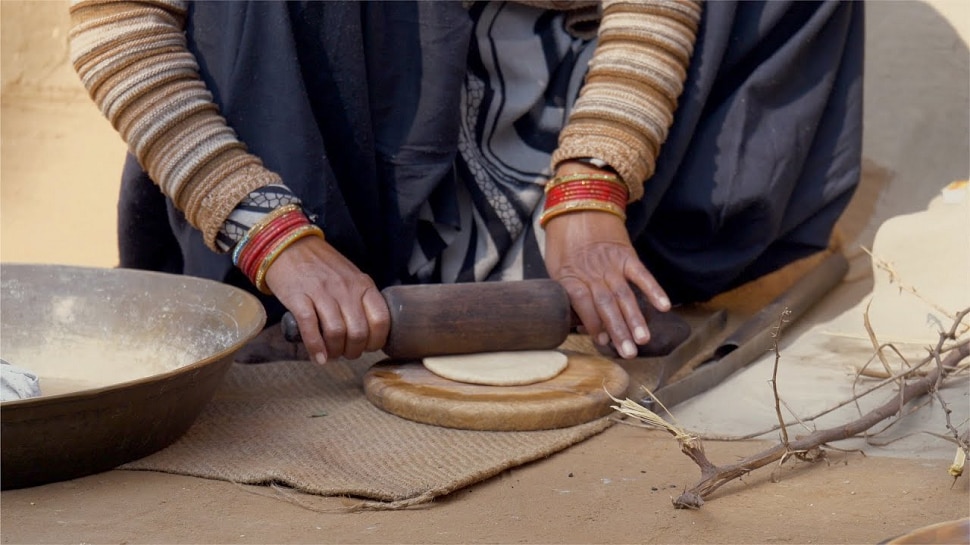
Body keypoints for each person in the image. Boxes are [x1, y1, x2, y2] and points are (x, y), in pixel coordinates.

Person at [68, 0, 864, 365]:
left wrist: (593, 184)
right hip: (329, 166)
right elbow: (117, 24)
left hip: (572, 91)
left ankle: (614, 286)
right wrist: (269, 232)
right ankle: (306, 300)